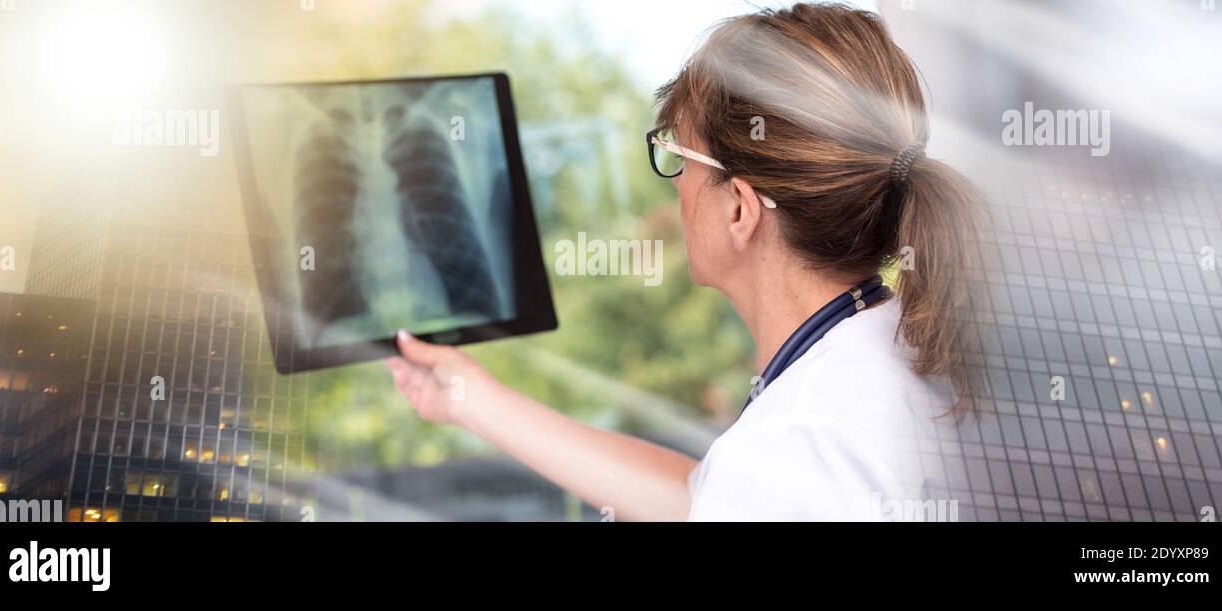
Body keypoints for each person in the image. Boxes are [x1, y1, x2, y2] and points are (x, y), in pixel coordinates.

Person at [385, 2, 984, 521]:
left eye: (682, 161)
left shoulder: (800, 444)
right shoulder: (898, 341)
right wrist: (471, 400)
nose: (676, 188)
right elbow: (699, 498)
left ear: (741, 212)